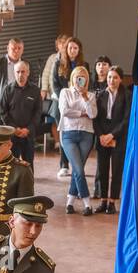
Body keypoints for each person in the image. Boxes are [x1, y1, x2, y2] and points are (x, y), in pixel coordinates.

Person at [58, 64, 97, 214]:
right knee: (79, 170)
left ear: (86, 80)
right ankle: (87, 204)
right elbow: (65, 111)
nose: (79, 80)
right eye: (77, 77)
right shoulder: (65, 92)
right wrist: (82, 113)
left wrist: (85, 97)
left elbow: (93, 114)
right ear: (72, 78)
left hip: (86, 135)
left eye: (83, 78)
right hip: (68, 134)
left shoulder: (91, 95)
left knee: (77, 170)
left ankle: (70, 202)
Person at [94, 66, 129, 213]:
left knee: (116, 171)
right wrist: (101, 135)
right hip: (102, 137)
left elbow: (126, 120)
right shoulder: (100, 95)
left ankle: (112, 202)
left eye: (115, 77)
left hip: (118, 137)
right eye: (109, 77)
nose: (111, 80)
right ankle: (103, 200)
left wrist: (112, 136)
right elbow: (95, 118)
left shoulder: (127, 95)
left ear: (120, 79)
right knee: (102, 170)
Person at [39, 35, 71, 176]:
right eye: (61, 43)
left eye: (66, 43)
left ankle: (65, 146)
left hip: (69, 97)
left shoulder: (70, 59)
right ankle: (58, 142)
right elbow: (46, 74)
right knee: (54, 119)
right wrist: (44, 89)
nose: (63, 46)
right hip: (54, 95)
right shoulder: (53, 58)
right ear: (57, 45)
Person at [0, 60, 43, 165]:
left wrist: (28, 129)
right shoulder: (7, 90)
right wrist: (15, 129)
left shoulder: (35, 90)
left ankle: (27, 182)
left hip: (28, 135)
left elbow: (38, 113)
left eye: (23, 72)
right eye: (18, 72)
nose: (20, 74)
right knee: (11, 165)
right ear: (14, 73)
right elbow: (3, 112)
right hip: (12, 135)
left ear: (28, 72)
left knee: (28, 165)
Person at [0, 38, 25, 122]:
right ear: (8, 48)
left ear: (22, 50)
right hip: (0, 106)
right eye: (13, 48)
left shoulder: (26, 65)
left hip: (20, 107)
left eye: (19, 48)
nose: (16, 51)